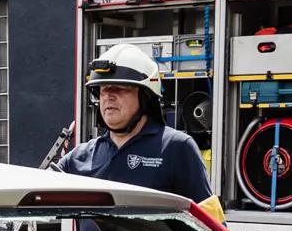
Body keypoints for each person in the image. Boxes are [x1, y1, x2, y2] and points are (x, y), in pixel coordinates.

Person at [59, 41, 215, 202]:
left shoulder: (176, 148)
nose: (108, 97)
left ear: (145, 96)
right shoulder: (80, 157)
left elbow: (210, 221)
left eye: (119, 88)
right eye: (104, 89)